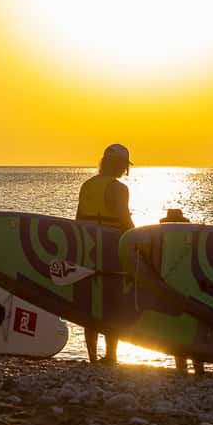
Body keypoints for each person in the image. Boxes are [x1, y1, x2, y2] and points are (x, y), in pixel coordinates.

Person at [75, 143, 135, 364]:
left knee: (90, 304)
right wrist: (138, 242)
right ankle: (111, 355)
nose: (123, 170)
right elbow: (124, 220)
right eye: (122, 166)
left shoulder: (87, 186)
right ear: (119, 165)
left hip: (87, 248)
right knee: (113, 303)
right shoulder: (119, 189)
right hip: (111, 249)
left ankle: (92, 355)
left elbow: (78, 219)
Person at [158, 208, 205, 374]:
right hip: (187, 287)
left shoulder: (163, 241)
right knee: (188, 327)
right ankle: (196, 368)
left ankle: (183, 367)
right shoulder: (189, 241)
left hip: (175, 286)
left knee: (178, 327)